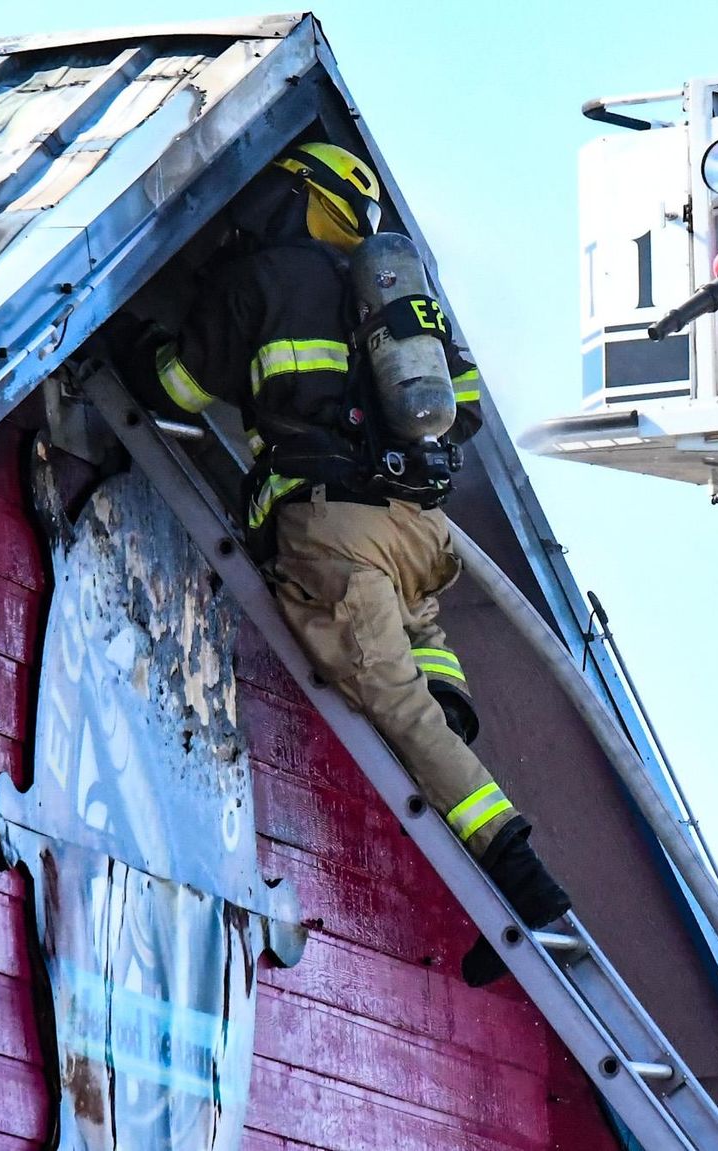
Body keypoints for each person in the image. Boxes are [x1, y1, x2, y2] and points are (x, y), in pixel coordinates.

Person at [113, 140, 569, 986]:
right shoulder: (396, 309)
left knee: (400, 713)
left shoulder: (260, 279)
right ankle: (451, 736)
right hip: (416, 533)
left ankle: (520, 878)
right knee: (422, 685)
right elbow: (464, 410)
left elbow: (176, 389)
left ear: (297, 199)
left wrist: (127, 335)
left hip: (335, 535)